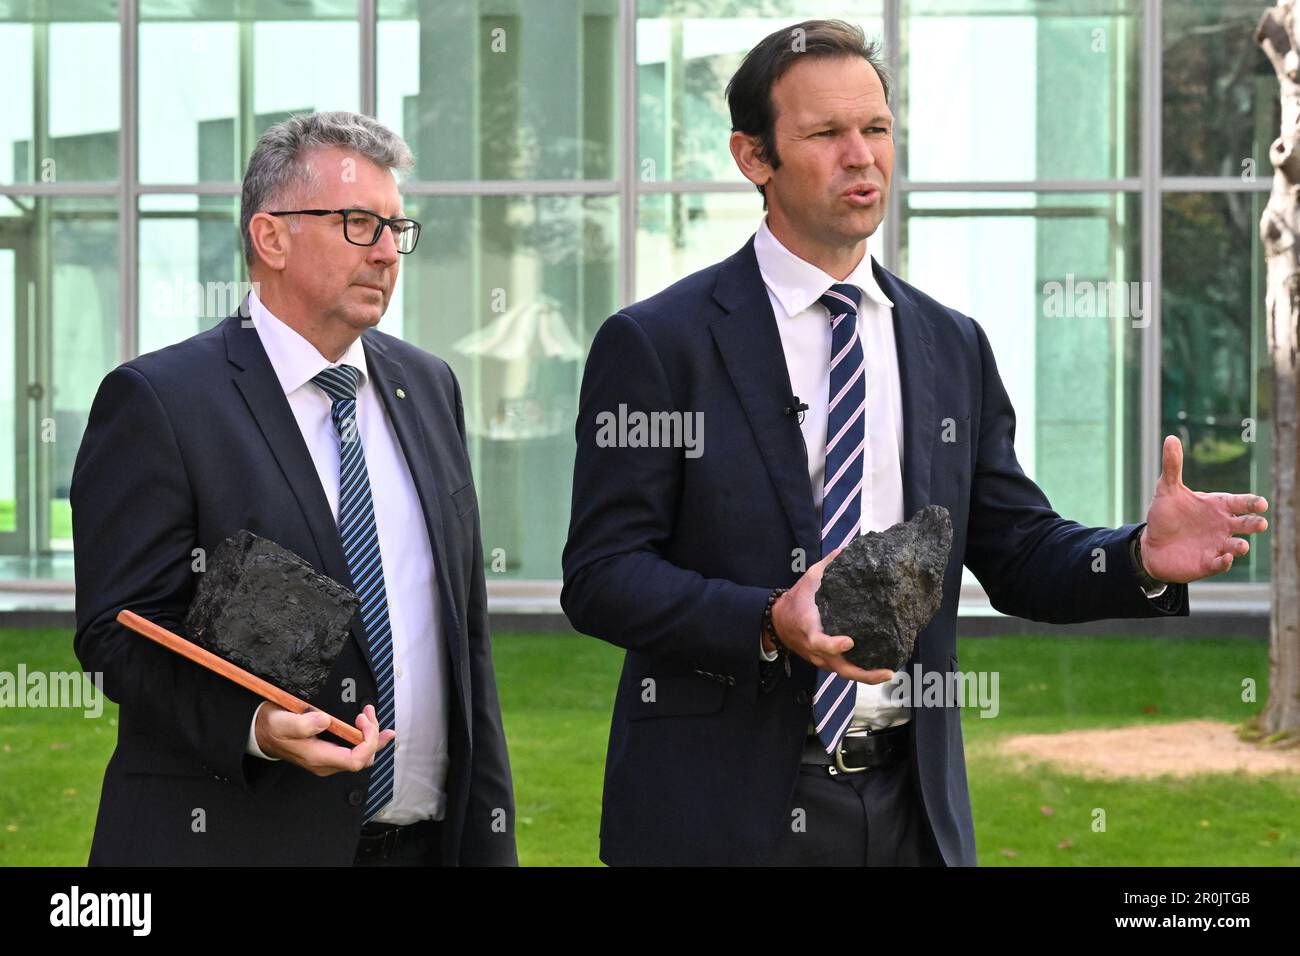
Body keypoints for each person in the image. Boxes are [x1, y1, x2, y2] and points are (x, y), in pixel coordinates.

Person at [560, 20, 1269, 866]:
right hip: (717, 815)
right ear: (754, 157)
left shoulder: (949, 342)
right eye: (825, 134)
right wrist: (766, 620)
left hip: (910, 812)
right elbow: (602, 577)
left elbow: (1013, 549)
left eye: (877, 129)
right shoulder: (658, 343)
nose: (862, 156)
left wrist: (1137, 558)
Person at [72, 110, 516, 866]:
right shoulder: (160, 400)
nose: (385, 252)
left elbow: (462, 641)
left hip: (426, 846)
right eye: (356, 224)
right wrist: (253, 726)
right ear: (270, 236)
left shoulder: (429, 385)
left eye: (395, 228)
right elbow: (118, 632)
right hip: (240, 841)